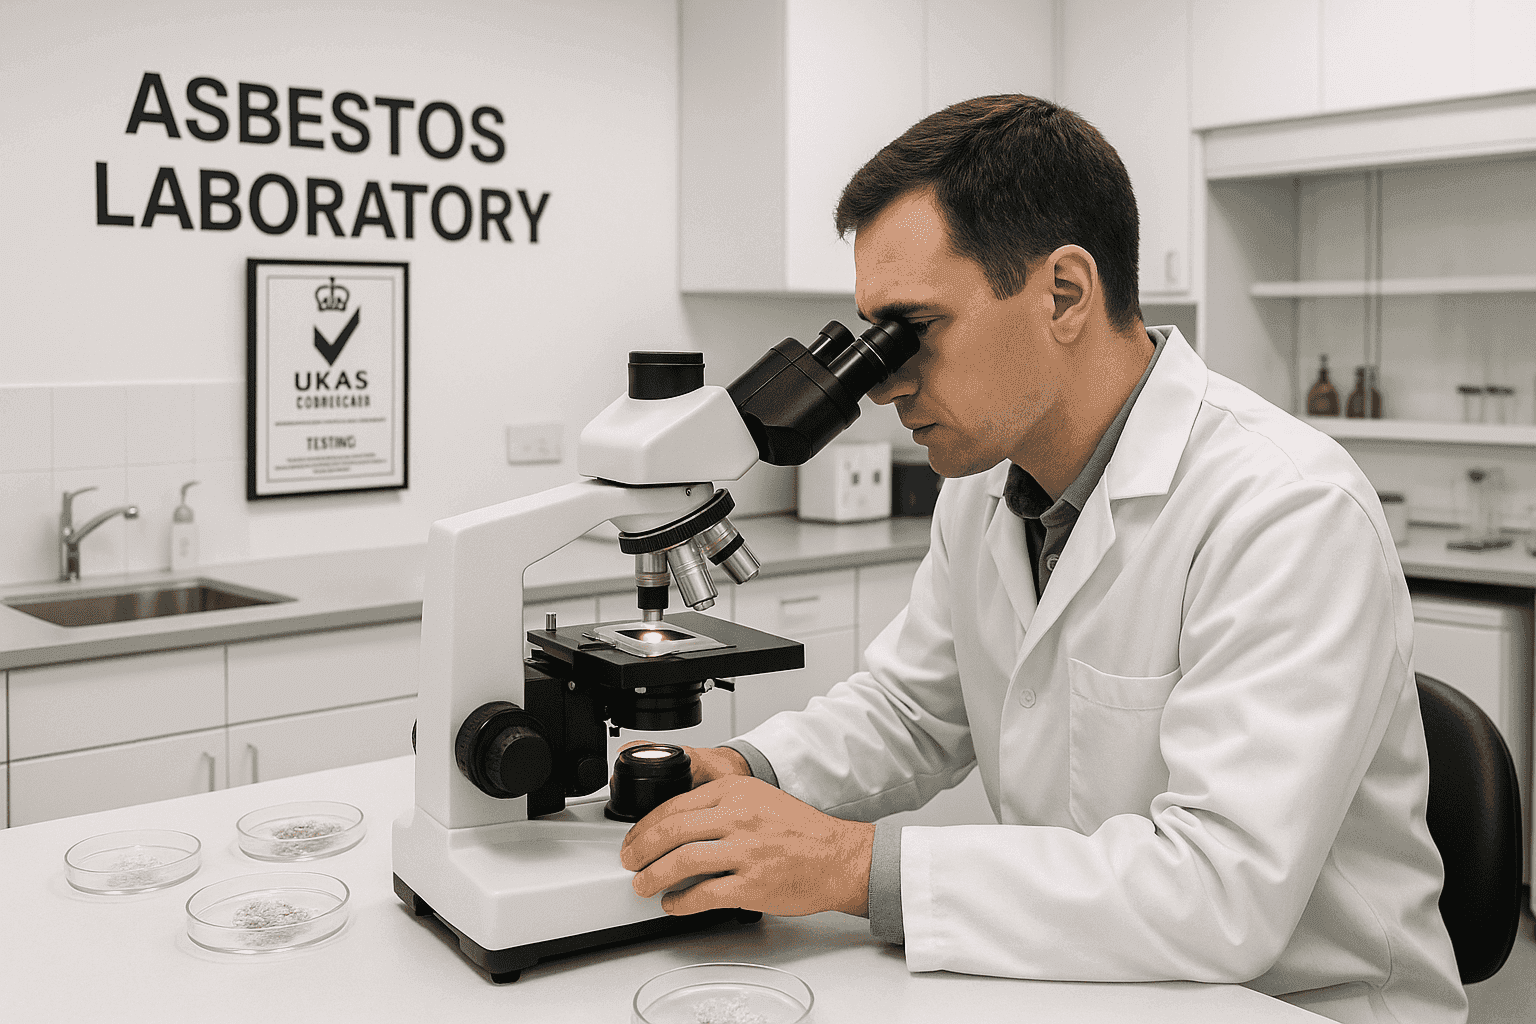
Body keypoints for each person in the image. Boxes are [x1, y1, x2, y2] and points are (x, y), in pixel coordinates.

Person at [619, 95, 1465, 1024]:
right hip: (1084, 981)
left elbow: (1221, 889)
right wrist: (748, 770)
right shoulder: (985, 485)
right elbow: (912, 709)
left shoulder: (1286, 509)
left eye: (913, 329)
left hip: (1295, 1004)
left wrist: (854, 866)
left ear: (1064, 293)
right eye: (872, 338)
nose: (884, 385)